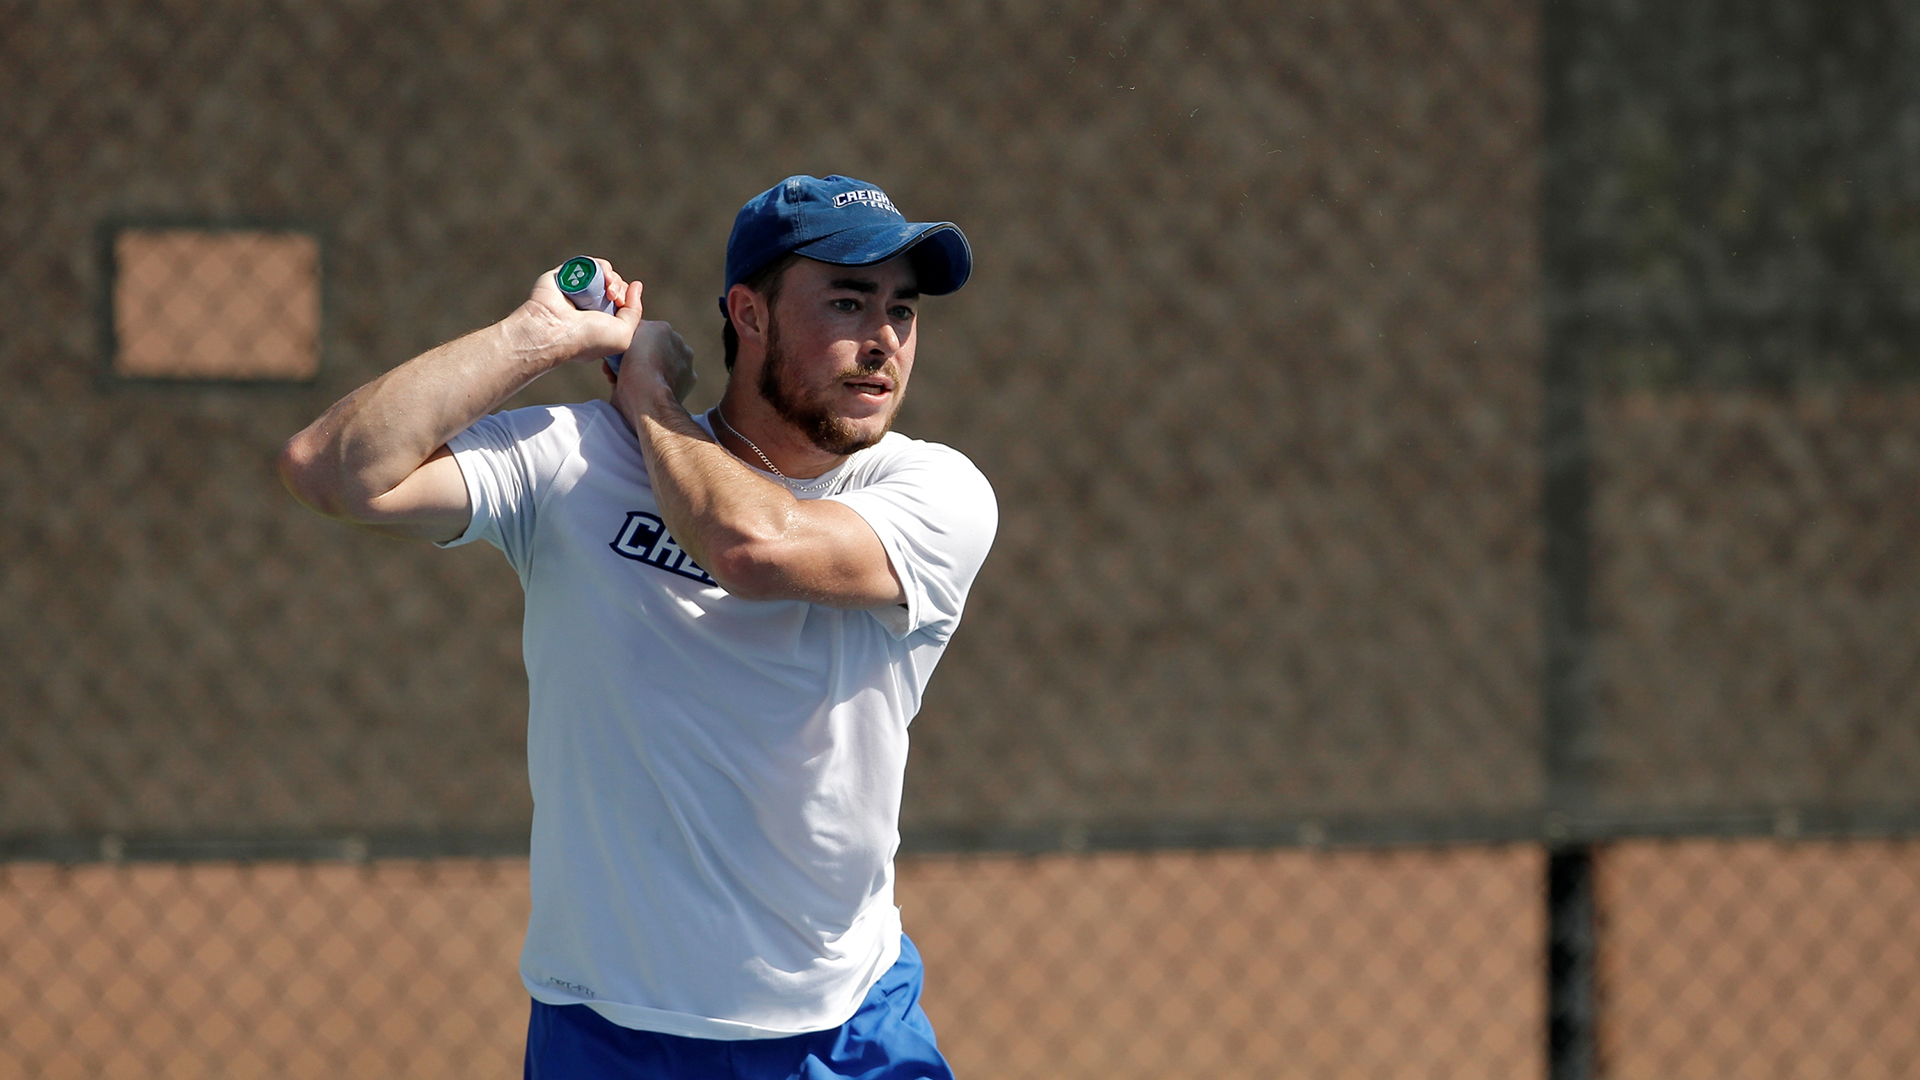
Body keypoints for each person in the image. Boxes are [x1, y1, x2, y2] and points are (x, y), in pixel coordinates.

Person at [279, 175, 996, 1079]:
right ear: (751, 313)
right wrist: (538, 339)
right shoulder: (578, 459)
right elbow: (334, 472)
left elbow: (750, 545)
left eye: (903, 310)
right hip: (606, 1034)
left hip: (843, 1033)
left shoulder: (935, 491)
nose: (883, 340)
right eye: (848, 302)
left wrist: (649, 400)